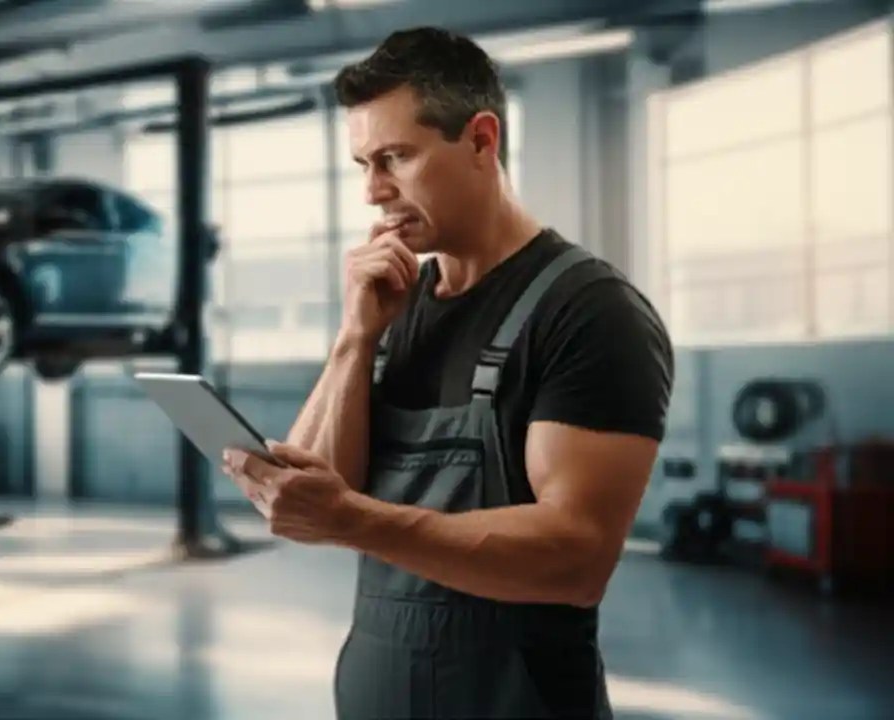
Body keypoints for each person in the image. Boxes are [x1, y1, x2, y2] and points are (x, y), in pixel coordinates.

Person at [220, 26, 674, 719]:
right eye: (362, 165)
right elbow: (316, 497)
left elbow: (577, 558)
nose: (374, 192)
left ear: (482, 141)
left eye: (395, 158)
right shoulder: (394, 304)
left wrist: (357, 520)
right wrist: (354, 338)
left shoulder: (589, 312)